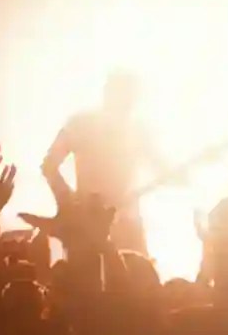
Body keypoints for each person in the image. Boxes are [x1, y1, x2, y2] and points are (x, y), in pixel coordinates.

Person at [42, 71, 162, 253]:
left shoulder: (138, 131)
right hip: (88, 226)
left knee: (137, 276)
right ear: (108, 93)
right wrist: (70, 203)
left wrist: (185, 175)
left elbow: (161, 167)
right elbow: (49, 166)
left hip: (125, 224)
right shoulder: (81, 124)